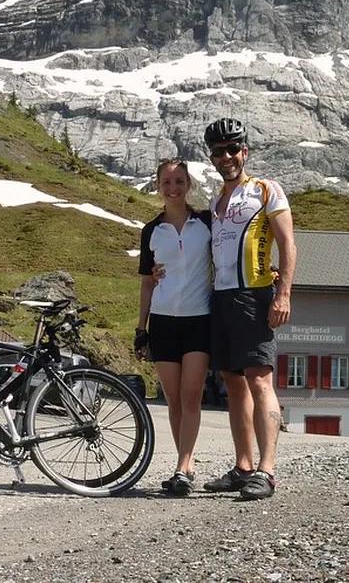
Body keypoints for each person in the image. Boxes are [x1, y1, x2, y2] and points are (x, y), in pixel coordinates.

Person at [198, 117, 296, 501]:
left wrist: (283, 294)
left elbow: (288, 244)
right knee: (233, 384)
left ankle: (266, 471)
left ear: (245, 151)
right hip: (221, 298)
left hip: (255, 296)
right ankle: (243, 466)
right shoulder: (215, 200)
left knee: (260, 381)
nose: (227, 157)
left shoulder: (266, 190)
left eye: (233, 149)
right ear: (212, 158)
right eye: (219, 152)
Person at [135, 159, 213, 497]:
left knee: (192, 393)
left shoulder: (207, 223)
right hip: (163, 321)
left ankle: (184, 465)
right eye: (166, 182)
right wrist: (141, 328)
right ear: (158, 186)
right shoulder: (152, 230)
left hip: (199, 319)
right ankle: (184, 464)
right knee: (174, 399)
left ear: (189, 185)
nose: (173, 188)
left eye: (179, 181)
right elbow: (146, 284)